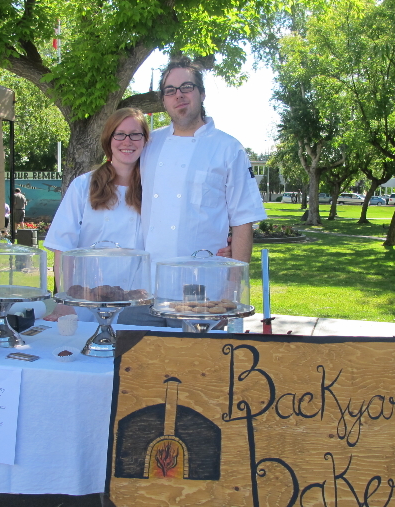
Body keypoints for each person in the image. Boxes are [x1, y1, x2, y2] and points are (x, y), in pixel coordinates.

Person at [121, 58, 267, 327]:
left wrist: (230, 294)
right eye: (170, 90)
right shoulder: (150, 143)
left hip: (203, 290)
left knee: (195, 366)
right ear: (163, 101)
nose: (179, 95)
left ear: (202, 93)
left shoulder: (228, 148)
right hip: (145, 287)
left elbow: (243, 221)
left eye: (186, 87)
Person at [43, 108, 149, 321]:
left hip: (136, 304)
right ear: (108, 140)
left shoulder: (153, 189)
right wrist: (64, 302)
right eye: (119, 134)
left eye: (135, 134)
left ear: (145, 141)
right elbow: (63, 247)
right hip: (84, 300)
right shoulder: (83, 186)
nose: (127, 141)